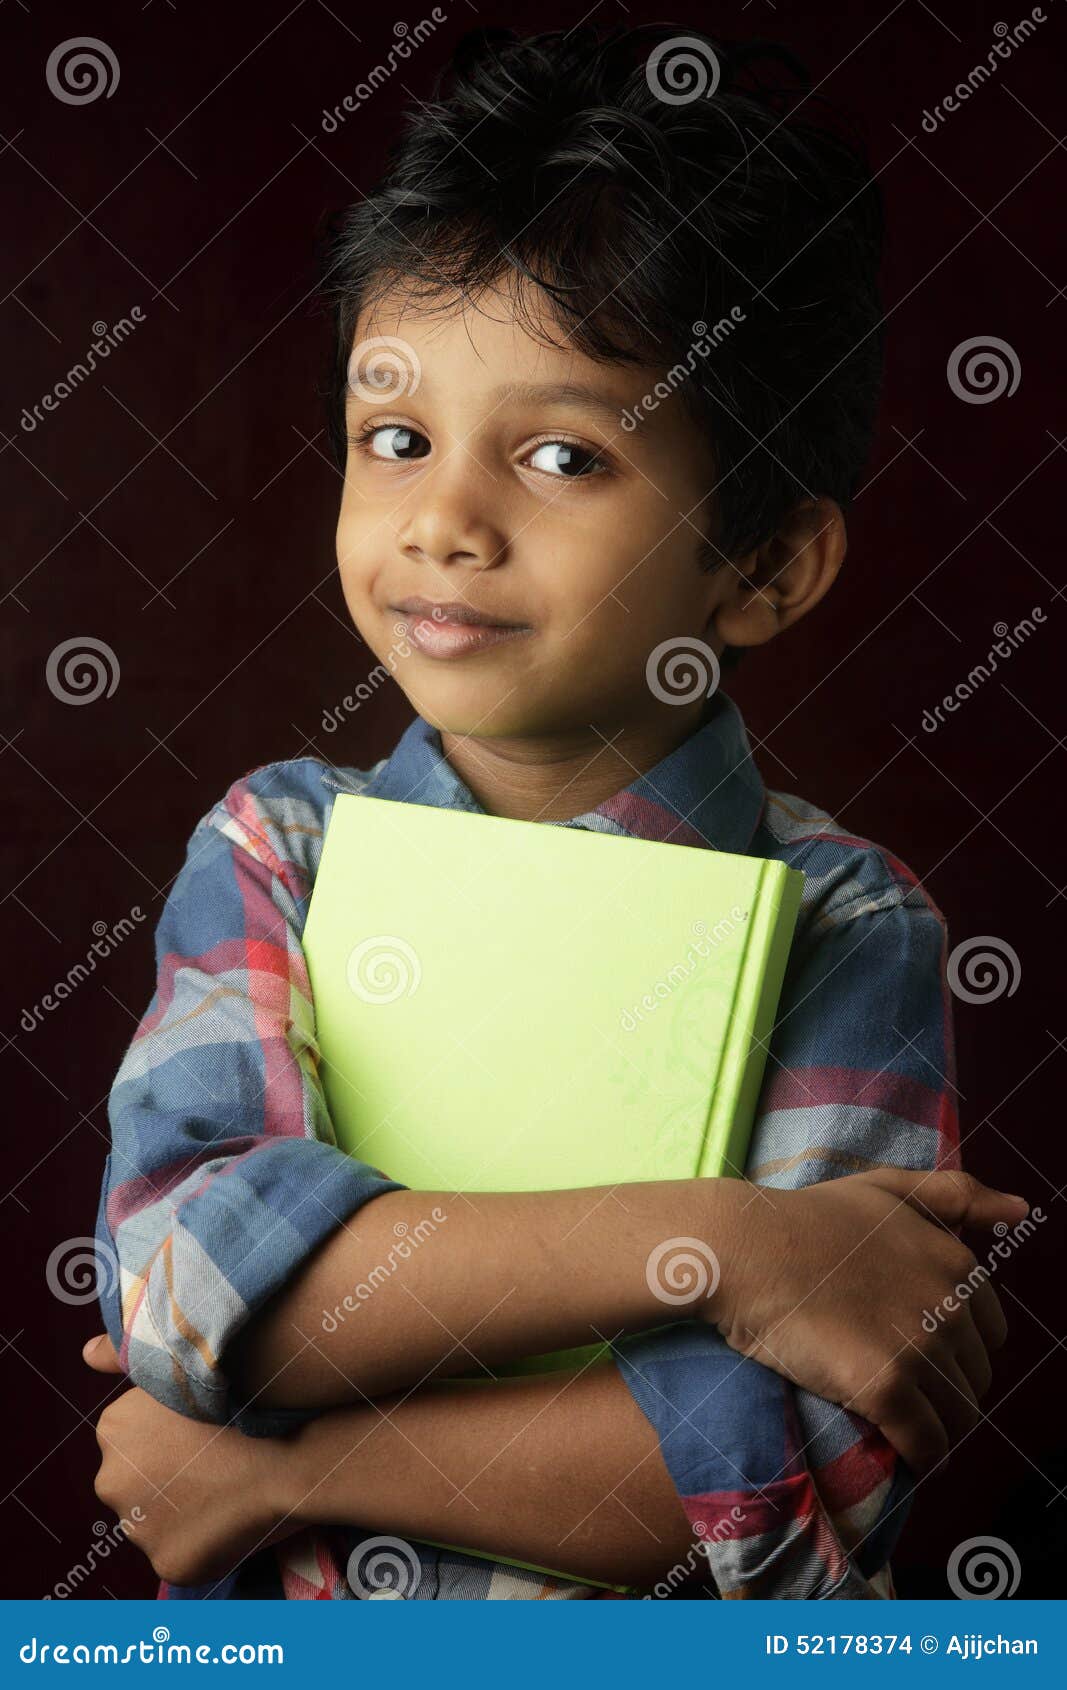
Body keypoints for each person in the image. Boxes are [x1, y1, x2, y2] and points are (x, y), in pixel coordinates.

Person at [84, 24, 1026, 1600]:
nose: (444, 520)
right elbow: (183, 1283)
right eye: (398, 438)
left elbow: (812, 1476)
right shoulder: (278, 851)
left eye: (562, 454)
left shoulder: (848, 917)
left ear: (768, 563)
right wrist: (734, 1248)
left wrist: (286, 1459)